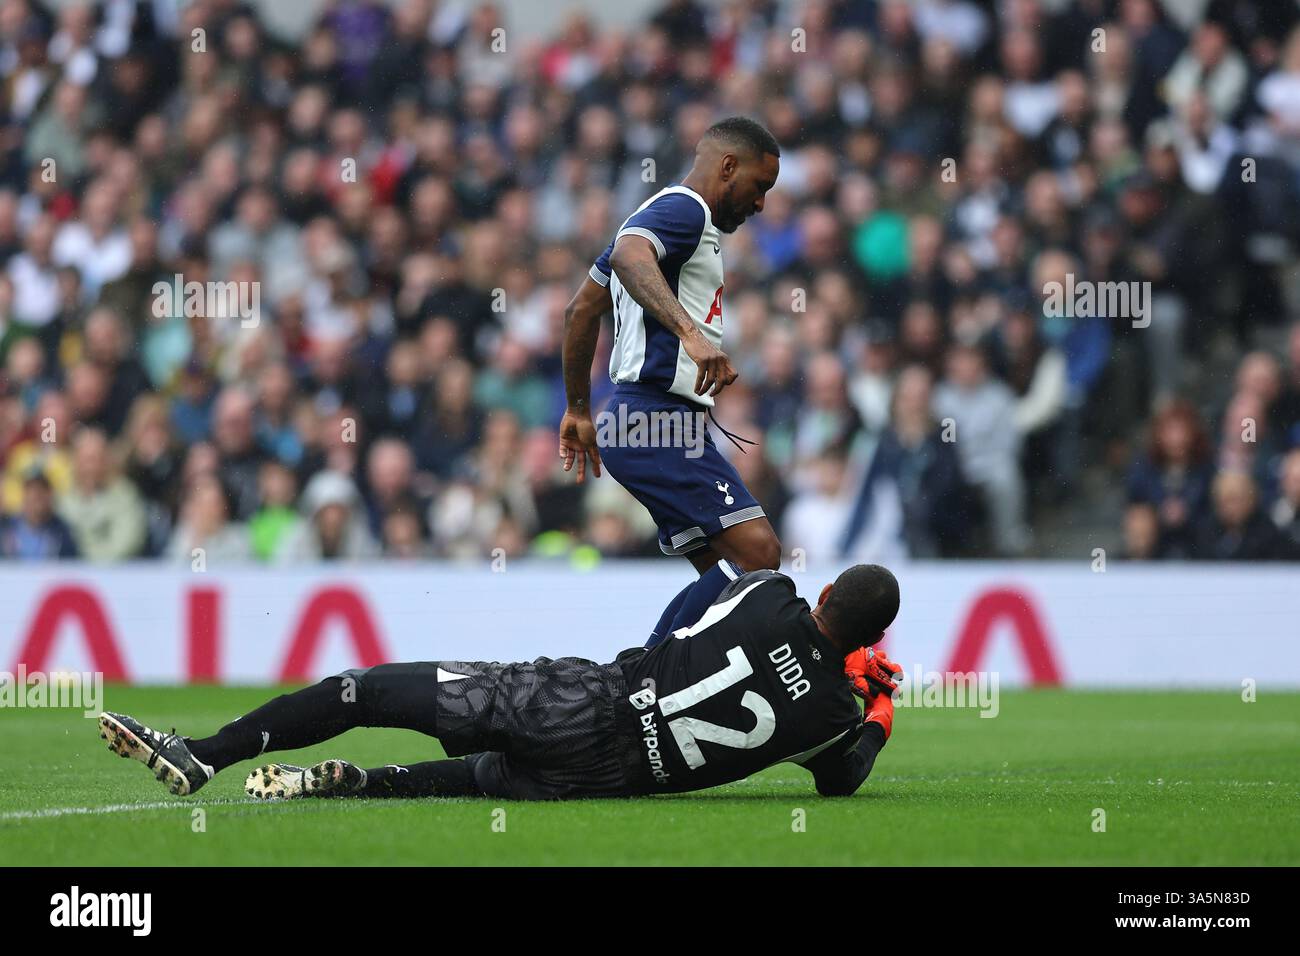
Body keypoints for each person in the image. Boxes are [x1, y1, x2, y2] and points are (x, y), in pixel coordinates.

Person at [98, 562, 902, 801]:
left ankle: (206, 753)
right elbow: (843, 778)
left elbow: (725, 585)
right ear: (874, 641)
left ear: (826, 595)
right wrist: (878, 701)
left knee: (369, 690)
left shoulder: (770, 596)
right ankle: (353, 786)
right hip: (612, 780)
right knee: (481, 779)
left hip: (588, 698)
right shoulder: (836, 715)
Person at [557, 117, 783, 644]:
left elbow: (580, 311)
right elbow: (632, 258)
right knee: (759, 556)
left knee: (732, 575)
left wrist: (579, 409)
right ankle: (643, 680)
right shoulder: (685, 210)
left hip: (640, 421)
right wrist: (689, 332)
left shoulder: (650, 217)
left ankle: (652, 684)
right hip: (653, 418)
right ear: (728, 166)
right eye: (760, 186)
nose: (760, 204)